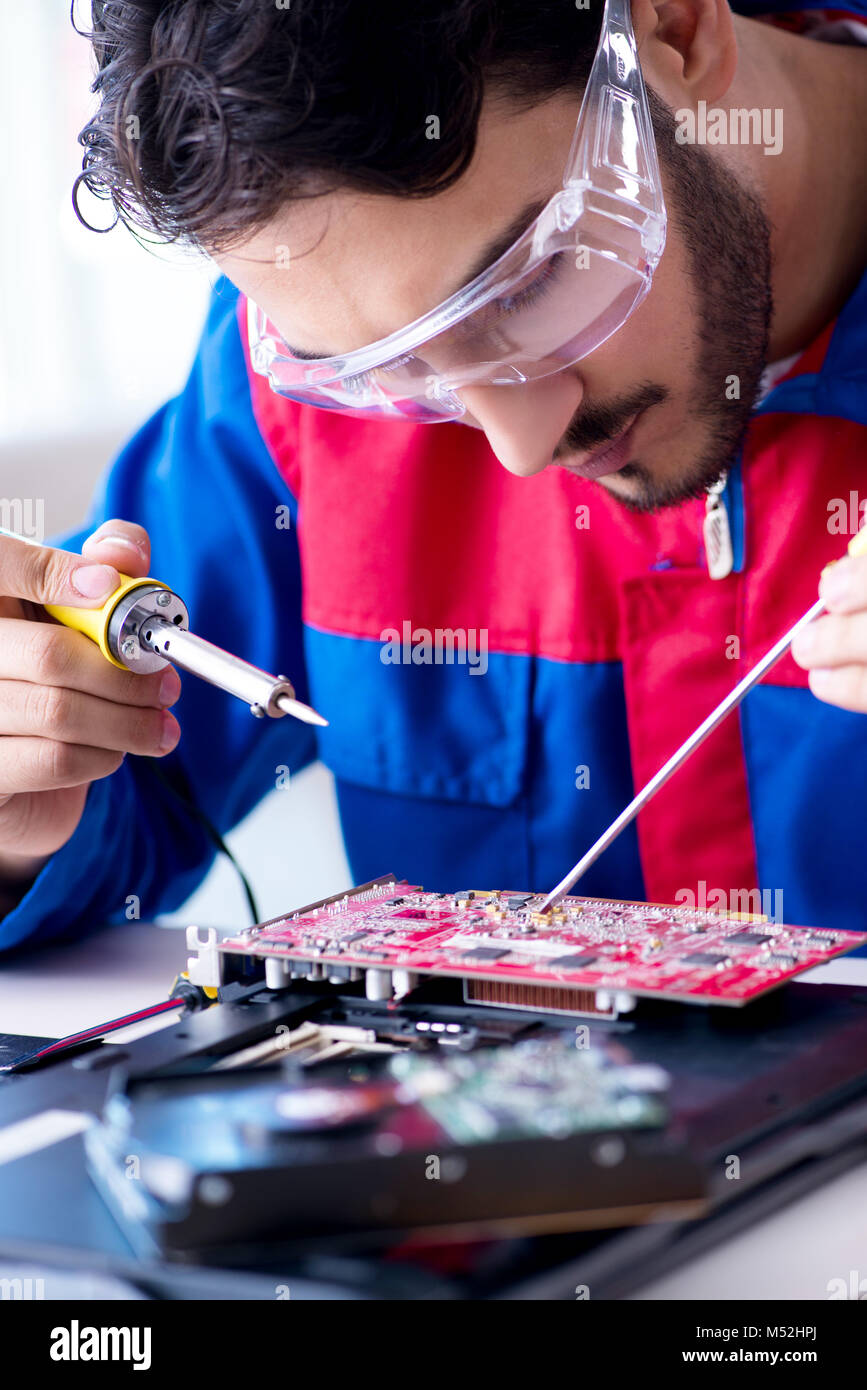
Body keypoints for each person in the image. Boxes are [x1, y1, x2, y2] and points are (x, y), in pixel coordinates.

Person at [1, 0, 865, 947]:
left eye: (530, 285)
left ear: (679, 31)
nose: (519, 448)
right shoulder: (283, 389)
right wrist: (23, 806)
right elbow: (119, 808)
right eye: (388, 375)